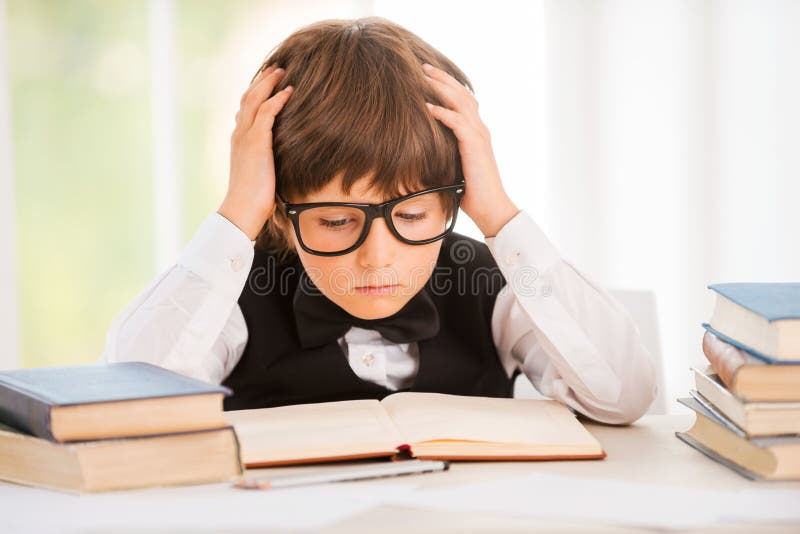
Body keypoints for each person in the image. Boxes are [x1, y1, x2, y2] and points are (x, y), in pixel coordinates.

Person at [101, 16, 657, 424]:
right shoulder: (233, 293)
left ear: (453, 202)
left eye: (412, 214)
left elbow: (624, 393)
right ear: (280, 209)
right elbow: (129, 404)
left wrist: (502, 219)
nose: (378, 256)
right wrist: (236, 216)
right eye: (336, 222)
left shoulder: (491, 281)